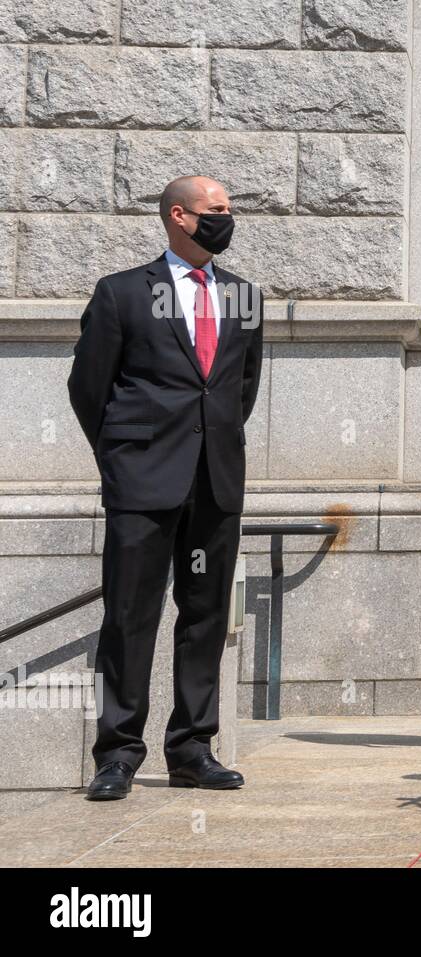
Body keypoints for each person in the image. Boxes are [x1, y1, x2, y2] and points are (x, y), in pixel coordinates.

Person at [68, 176, 263, 800]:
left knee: (204, 616)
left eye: (229, 210)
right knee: (129, 616)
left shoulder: (244, 298)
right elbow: (88, 387)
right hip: (142, 483)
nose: (226, 219)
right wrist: (123, 458)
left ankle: (192, 749)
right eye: (215, 210)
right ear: (179, 217)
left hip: (215, 482)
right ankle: (118, 753)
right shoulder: (123, 292)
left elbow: (240, 391)